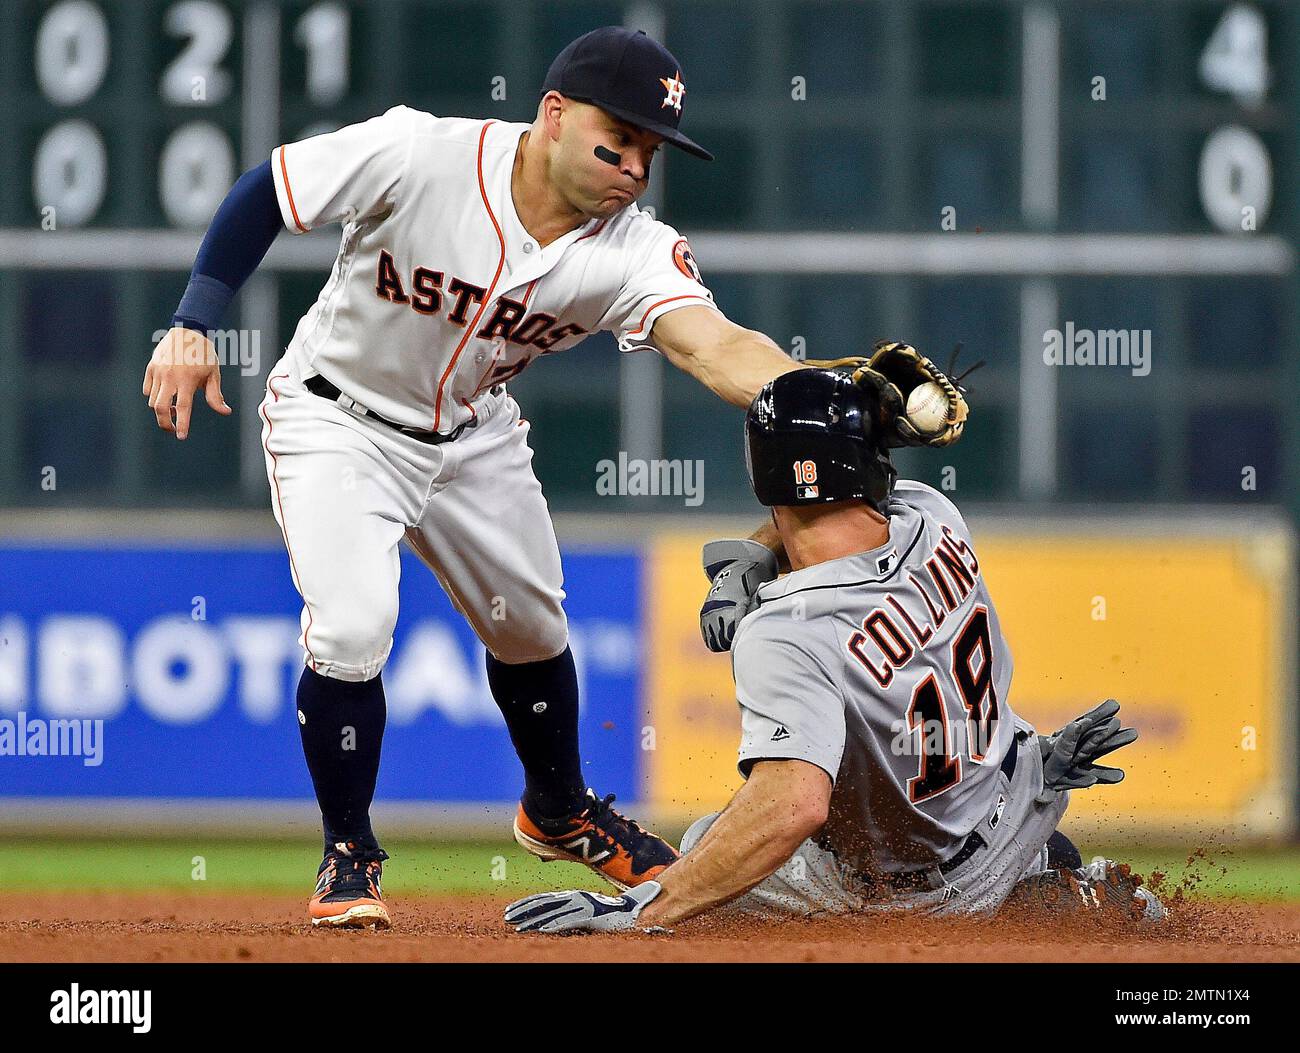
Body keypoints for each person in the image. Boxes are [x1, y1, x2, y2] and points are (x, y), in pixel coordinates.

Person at [142, 26, 807, 929]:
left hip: (470, 432)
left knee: (532, 624)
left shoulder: (633, 249)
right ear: (555, 113)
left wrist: (824, 391)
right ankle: (349, 851)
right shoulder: (421, 153)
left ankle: (560, 807)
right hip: (337, 416)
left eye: (652, 148)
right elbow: (269, 190)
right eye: (623, 135)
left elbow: (715, 345)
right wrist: (192, 321)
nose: (636, 164)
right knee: (352, 625)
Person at [504, 368, 1165, 934]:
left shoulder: (786, 632)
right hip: (1014, 789)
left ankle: (1008, 906)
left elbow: (792, 806)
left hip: (923, 890)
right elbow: (827, 504)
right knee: (733, 839)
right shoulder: (932, 516)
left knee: (707, 865)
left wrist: (642, 907)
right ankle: (1049, 868)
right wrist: (757, 555)